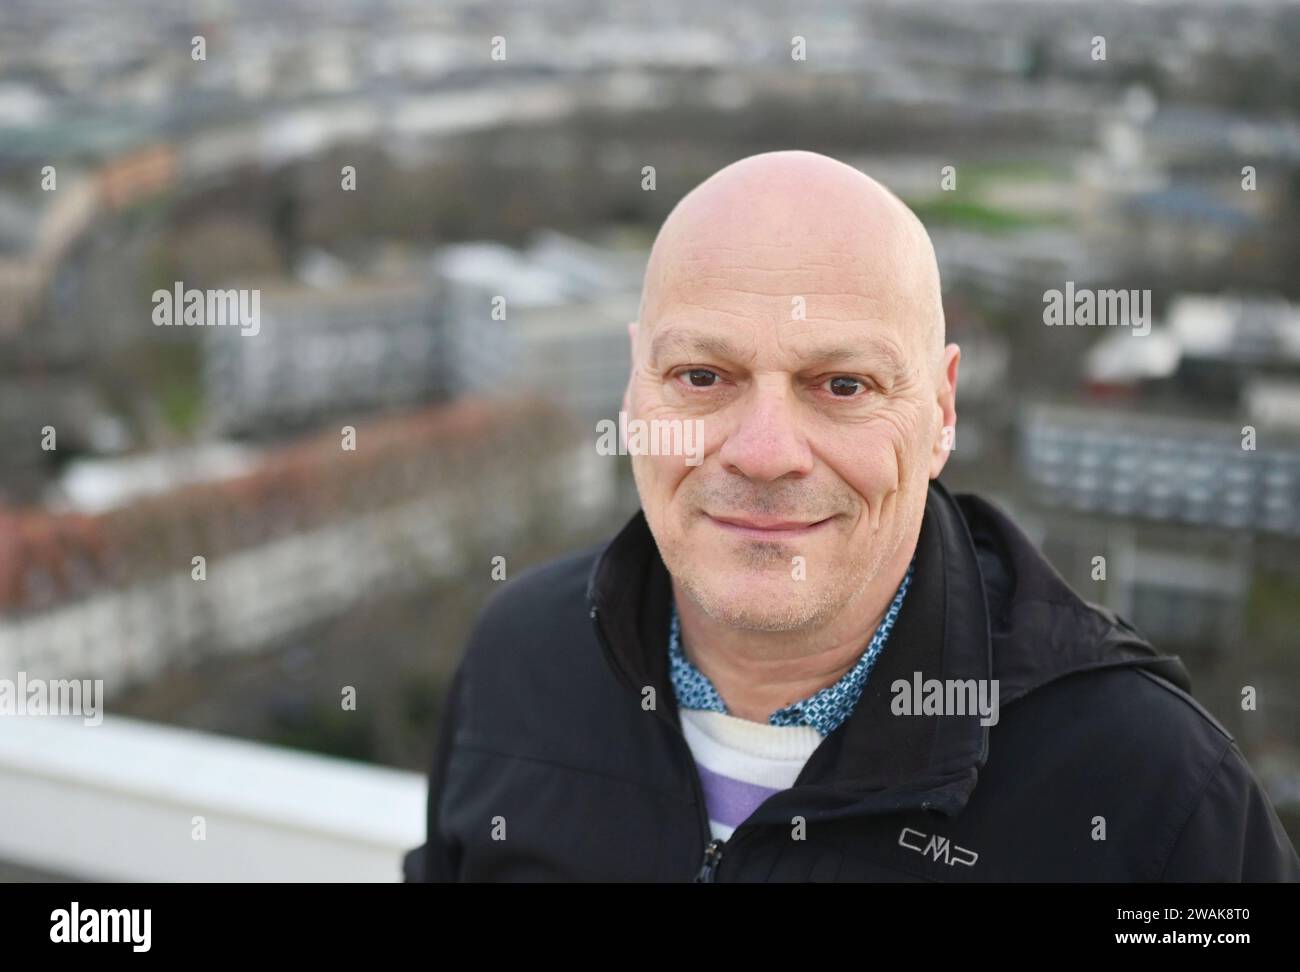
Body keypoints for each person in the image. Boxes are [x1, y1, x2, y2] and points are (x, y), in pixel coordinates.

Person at [403, 150, 1300, 882]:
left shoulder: (1157, 796)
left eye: (841, 385)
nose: (763, 452)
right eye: (702, 377)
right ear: (636, 390)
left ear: (941, 412)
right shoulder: (518, 657)